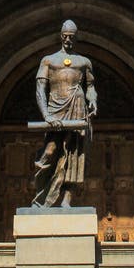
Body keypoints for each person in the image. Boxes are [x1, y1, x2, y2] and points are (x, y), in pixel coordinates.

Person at [32, 19, 97, 208]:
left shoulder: (84, 62)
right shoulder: (48, 60)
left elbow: (90, 86)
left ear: (76, 38)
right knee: (50, 151)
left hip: (78, 108)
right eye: (66, 36)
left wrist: (93, 100)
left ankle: (67, 199)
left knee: (75, 154)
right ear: (61, 36)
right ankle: (41, 197)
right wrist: (46, 115)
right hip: (55, 109)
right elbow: (40, 89)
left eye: (72, 37)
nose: (68, 40)